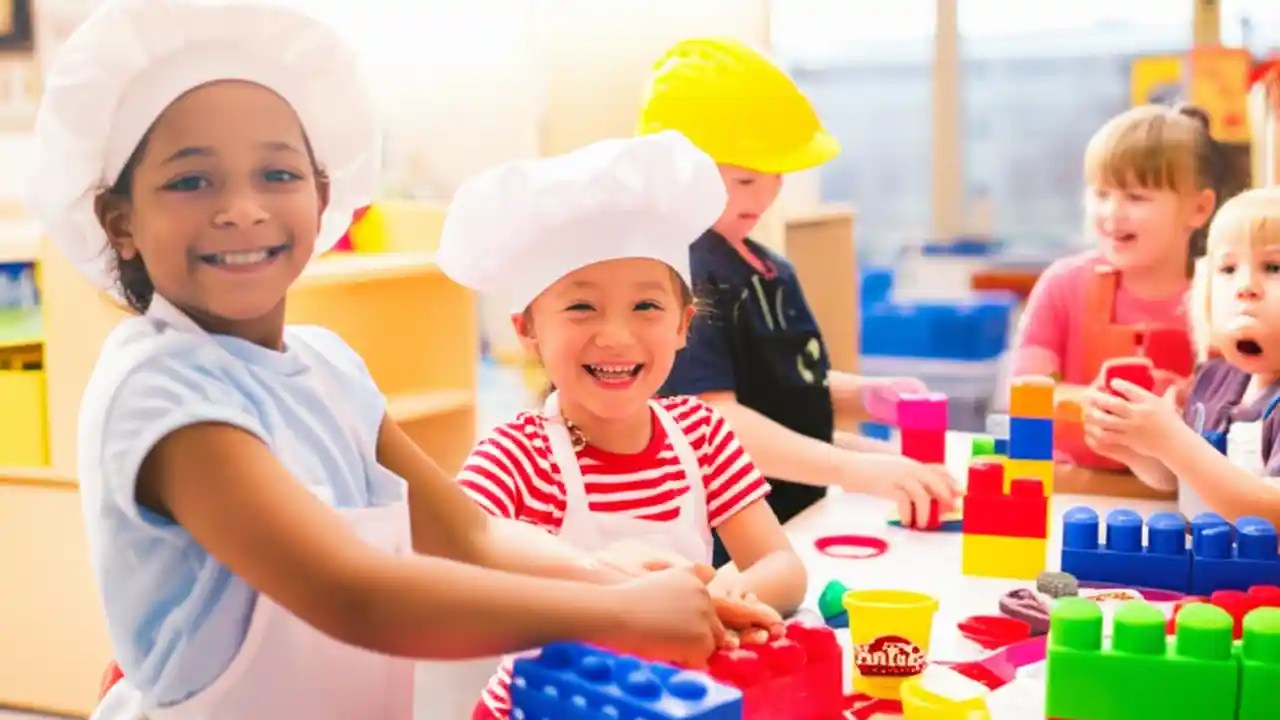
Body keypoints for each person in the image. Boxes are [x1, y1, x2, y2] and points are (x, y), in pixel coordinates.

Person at [26, 3, 724, 717]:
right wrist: (614, 615)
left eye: (277, 173)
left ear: (324, 195)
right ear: (121, 222)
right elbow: (351, 592)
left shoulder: (329, 368)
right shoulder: (159, 388)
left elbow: (466, 532)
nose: (242, 208)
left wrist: (606, 579)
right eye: (191, 180)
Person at [438, 130, 806, 720]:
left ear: (685, 325)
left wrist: (712, 600)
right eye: (581, 306)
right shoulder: (516, 455)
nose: (616, 335)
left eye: (647, 306)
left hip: (676, 699)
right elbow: (451, 563)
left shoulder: (701, 435)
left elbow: (781, 566)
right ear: (528, 329)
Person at [635, 37, 960, 552]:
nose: (766, 195)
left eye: (777, 175)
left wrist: (863, 398)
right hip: (725, 543)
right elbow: (718, 420)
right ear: (676, 173)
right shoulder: (682, 272)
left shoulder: (768, 268)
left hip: (796, 521)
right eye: (745, 179)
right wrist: (857, 468)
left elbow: (781, 390)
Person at [1084, 188, 1280, 526]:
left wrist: (1172, 440)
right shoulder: (1216, 379)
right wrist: (1134, 444)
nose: (1245, 286)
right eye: (1228, 268)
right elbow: (1179, 479)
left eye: (1274, 267)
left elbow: (1272, 513)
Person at [1012, 105, 1228, 393]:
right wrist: (1094, 406)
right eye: (1101, 194)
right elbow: (1026, 393)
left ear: (1199, 209)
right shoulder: (1063, 286)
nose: (1112, 213)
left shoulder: (1222, 298)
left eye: (1136, 198)